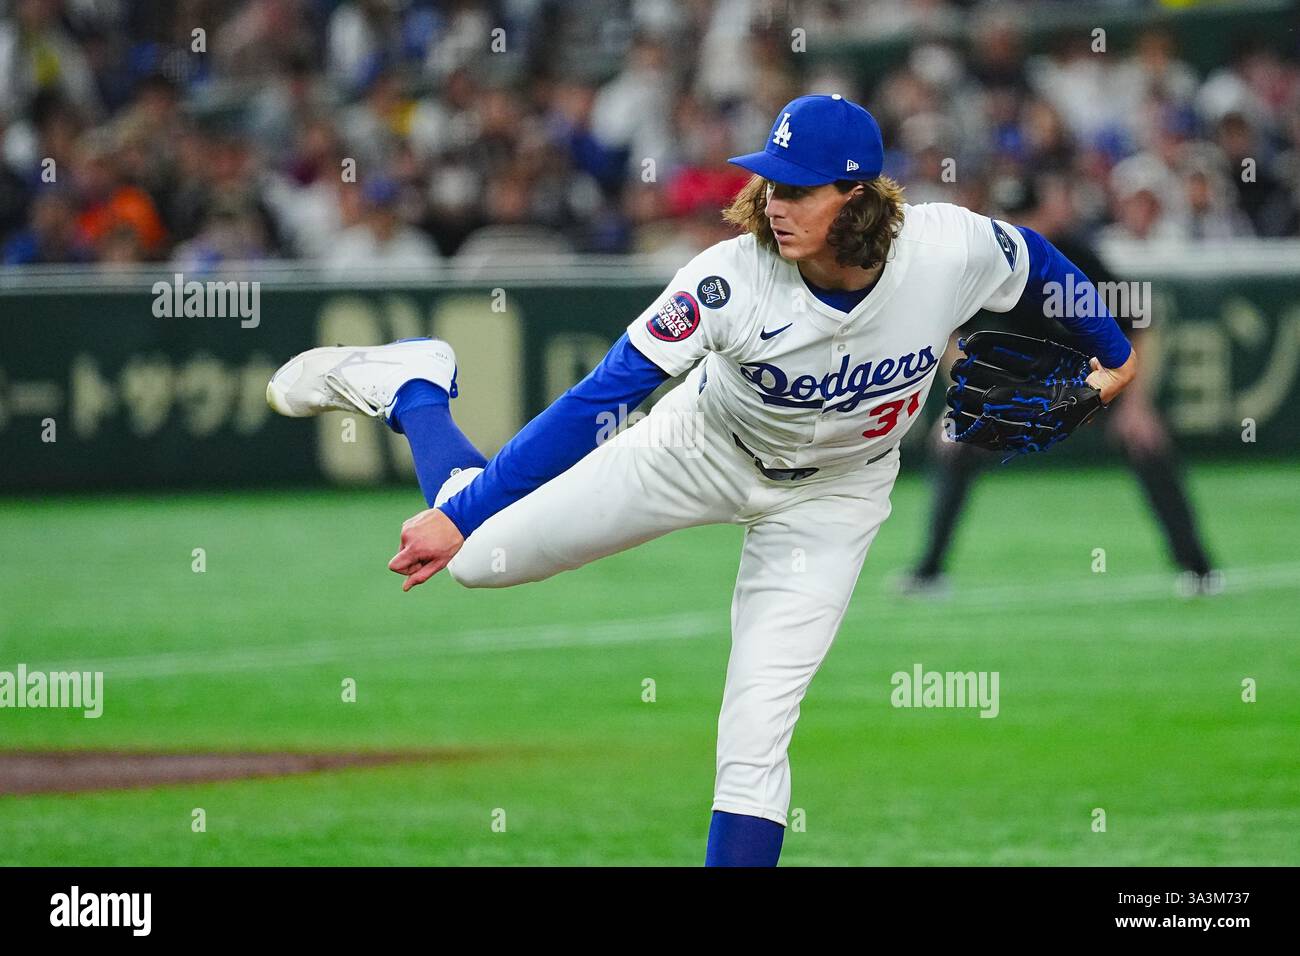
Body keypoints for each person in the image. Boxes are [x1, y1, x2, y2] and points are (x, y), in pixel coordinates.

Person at [266, 95, 1137, 866]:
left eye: (799, 188)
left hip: (835, 498)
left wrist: (1114, 365)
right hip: (697, 449)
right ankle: (417, 386)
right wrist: (462, 519)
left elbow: (1041, 265)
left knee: (757, 730)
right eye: (771, 182)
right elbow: (597, 402)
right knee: (475, 561)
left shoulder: (945, 250)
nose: (775, 203)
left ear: (861, 199)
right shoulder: (729, 281)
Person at [897, 174, 1217, 598]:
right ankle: (929, 571)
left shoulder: (1075, 256)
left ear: (1047, 213)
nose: (1020, 224)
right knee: (956, 444)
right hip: (1019, 384)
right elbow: (951, 332)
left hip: (1090, 378)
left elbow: (1140, 324)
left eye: (1027, 214)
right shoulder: (989, 260)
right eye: (1011, 215)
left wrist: (1136, 404)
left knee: (1147, 441)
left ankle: (1197, 569)